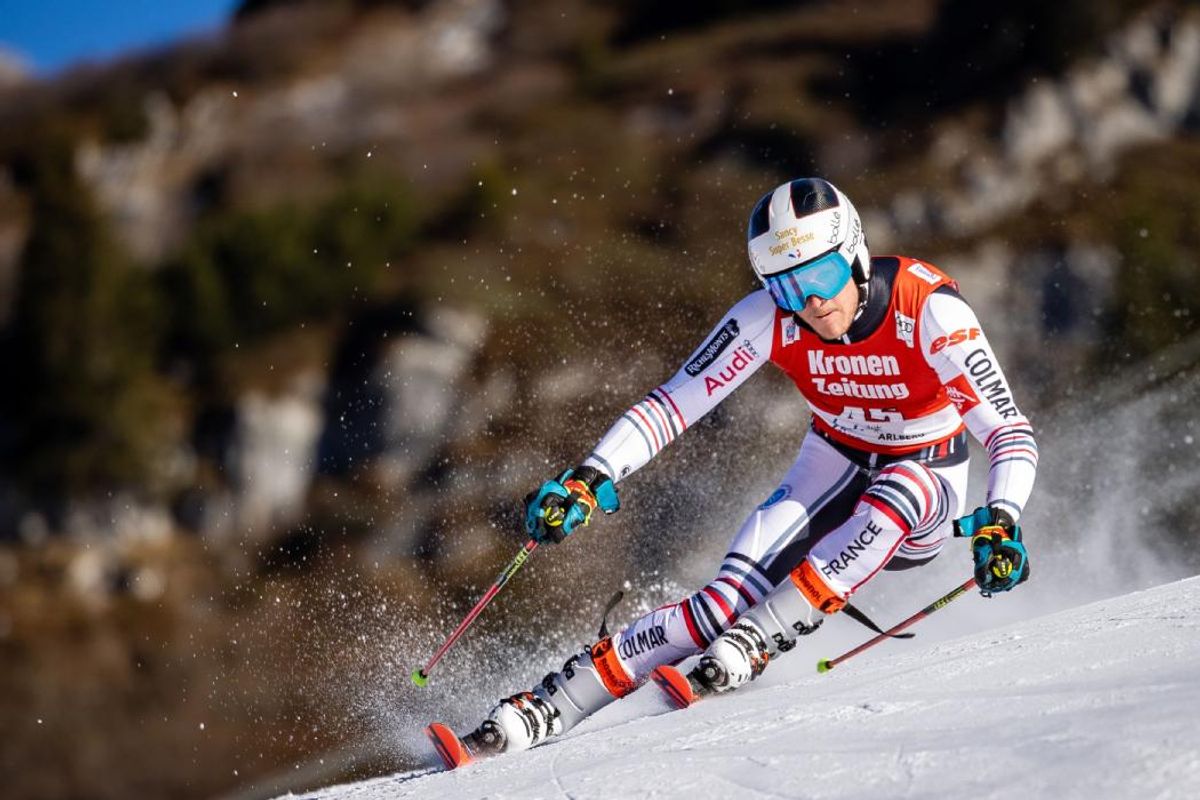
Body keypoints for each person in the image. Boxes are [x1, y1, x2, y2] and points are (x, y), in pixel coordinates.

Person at [448, 177, 1037, 759]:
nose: (811, 302)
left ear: (854, 253)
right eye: (786, 287)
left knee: (899, 489)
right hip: (834, 458)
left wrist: (1002, 519)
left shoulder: (926, 308)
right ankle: (547, 706)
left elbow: (1007, 428)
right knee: (719, 605)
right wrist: (591, 476)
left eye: (823, 276)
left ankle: (760, 638)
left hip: (925, 478)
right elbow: (675, 403)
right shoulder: (768, 318)